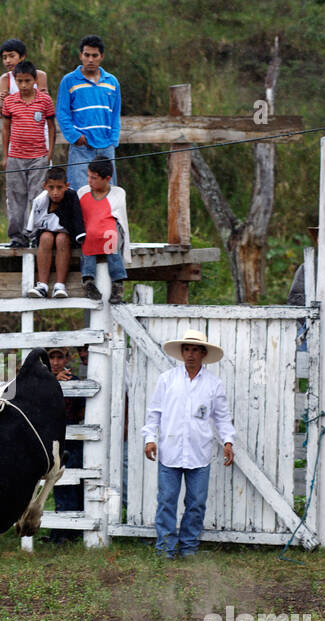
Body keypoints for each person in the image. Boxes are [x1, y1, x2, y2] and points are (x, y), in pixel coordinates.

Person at [142, 329, 235, 559]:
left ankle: (189, 547)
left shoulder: (213, 384)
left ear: (203, 353)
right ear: (181, 352)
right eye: (186, 349)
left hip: (199, 453)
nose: (190, 354)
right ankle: (165, 549)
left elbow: (222, 417)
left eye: (195, 350)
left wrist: (228, 441)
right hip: (170, 451)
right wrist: (150, 439)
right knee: (166, 501)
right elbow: (154, 413)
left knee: (196, 503)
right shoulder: (167, 380)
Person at [1, 60, 57, 248]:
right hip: (15, 157)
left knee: (38, 197)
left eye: (27, 81)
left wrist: (48, 154)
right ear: (15, 81)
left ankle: (37, 235)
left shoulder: (45, 100)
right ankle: (17, 236)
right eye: (19, 81)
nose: (23, 85)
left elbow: (51, 126)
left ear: (35, 80)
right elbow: (6, 128)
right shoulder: (10, 101)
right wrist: (5, 156)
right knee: (15, 197)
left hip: (38, 156)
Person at [57, 35, 122, 192]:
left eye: (95, 55)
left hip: (106, 146)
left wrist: (113, 139)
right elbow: (62, 113)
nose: (90, 60)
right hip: (82, 147)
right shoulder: (69, 81)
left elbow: (115, 114)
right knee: (80, 192)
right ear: (81, 56)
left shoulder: (112, 82)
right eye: (87, 55)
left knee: (108, 192)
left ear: (102, 57)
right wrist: (75, 136)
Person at [78, 156, 131, 304]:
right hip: (90, 229)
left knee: (112, 238)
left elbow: (120, 218)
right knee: (88, 238)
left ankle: (117, 283)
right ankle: (88, 280)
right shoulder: (83, 192)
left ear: (107, 178)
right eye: (88, 176)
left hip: (108, 230)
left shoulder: (118, 193)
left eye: (94, 178)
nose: (89, 181)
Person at [26, 166, 85, 299]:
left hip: (66, 235)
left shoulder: (72, 196)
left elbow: (77, 220)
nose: (55, 192)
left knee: (61, 238)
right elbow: (34, 227)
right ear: (44, 186)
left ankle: (59, 285)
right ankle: (42, 286)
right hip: (45, 235)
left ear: (66, 186)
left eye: (59, 187)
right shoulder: (40, 201)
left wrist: (80, 237)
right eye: (51, 187)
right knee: (46, 237)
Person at [47, 347, 85, 544]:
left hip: (72, 439)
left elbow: (80, 411)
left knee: (71, 481)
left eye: (59, 357)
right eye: (51, 357)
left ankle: (70, 531)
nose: (55, 362)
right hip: (50, 438)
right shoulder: (43, 381)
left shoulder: (77, 382)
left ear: (67, 359)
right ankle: (60, 530)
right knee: (58, 484)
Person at [0, 38, 49, 110]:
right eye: (4, 58)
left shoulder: (39, 75)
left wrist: (10, 100)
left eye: (12, 56)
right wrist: (3, 102)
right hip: (16, 120)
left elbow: (45, 104)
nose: (8, 61)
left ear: (22, 57)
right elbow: (2, 110)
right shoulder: (5, 79)